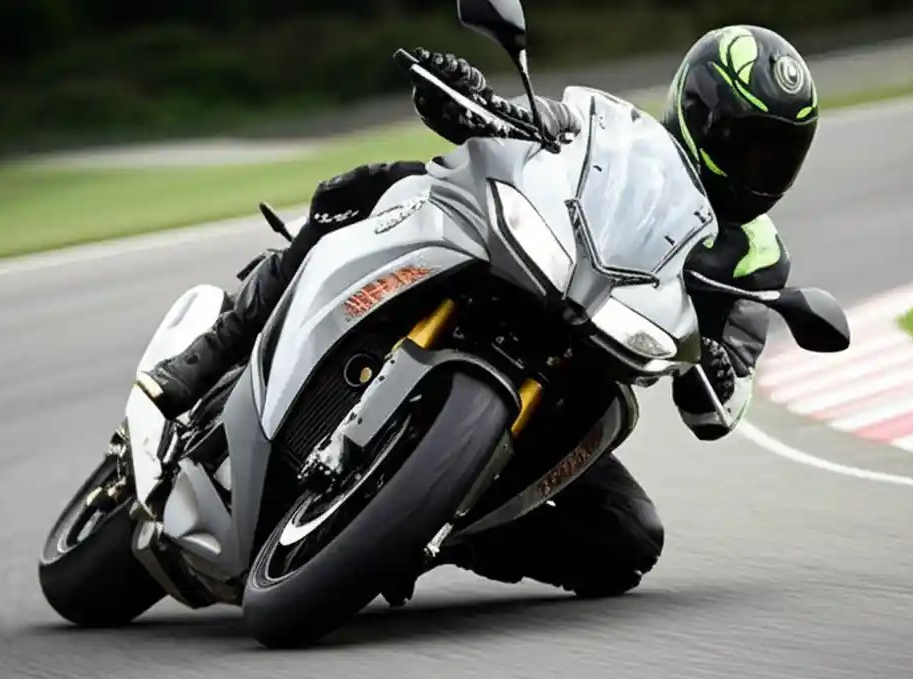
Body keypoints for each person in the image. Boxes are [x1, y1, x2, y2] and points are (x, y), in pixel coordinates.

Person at [136, 26, 818, 600]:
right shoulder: (622, 141)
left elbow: (720, 412)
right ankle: (213, 350)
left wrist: (719, 368)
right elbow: (534, 124)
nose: (763, 170)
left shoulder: (758, 260)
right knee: (365, 190)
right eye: (750, 144)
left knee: (630, 540)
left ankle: (428, 530)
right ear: (703, 117)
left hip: (577, 383)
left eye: (781, 154)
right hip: (520, 277)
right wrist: (471, 98)